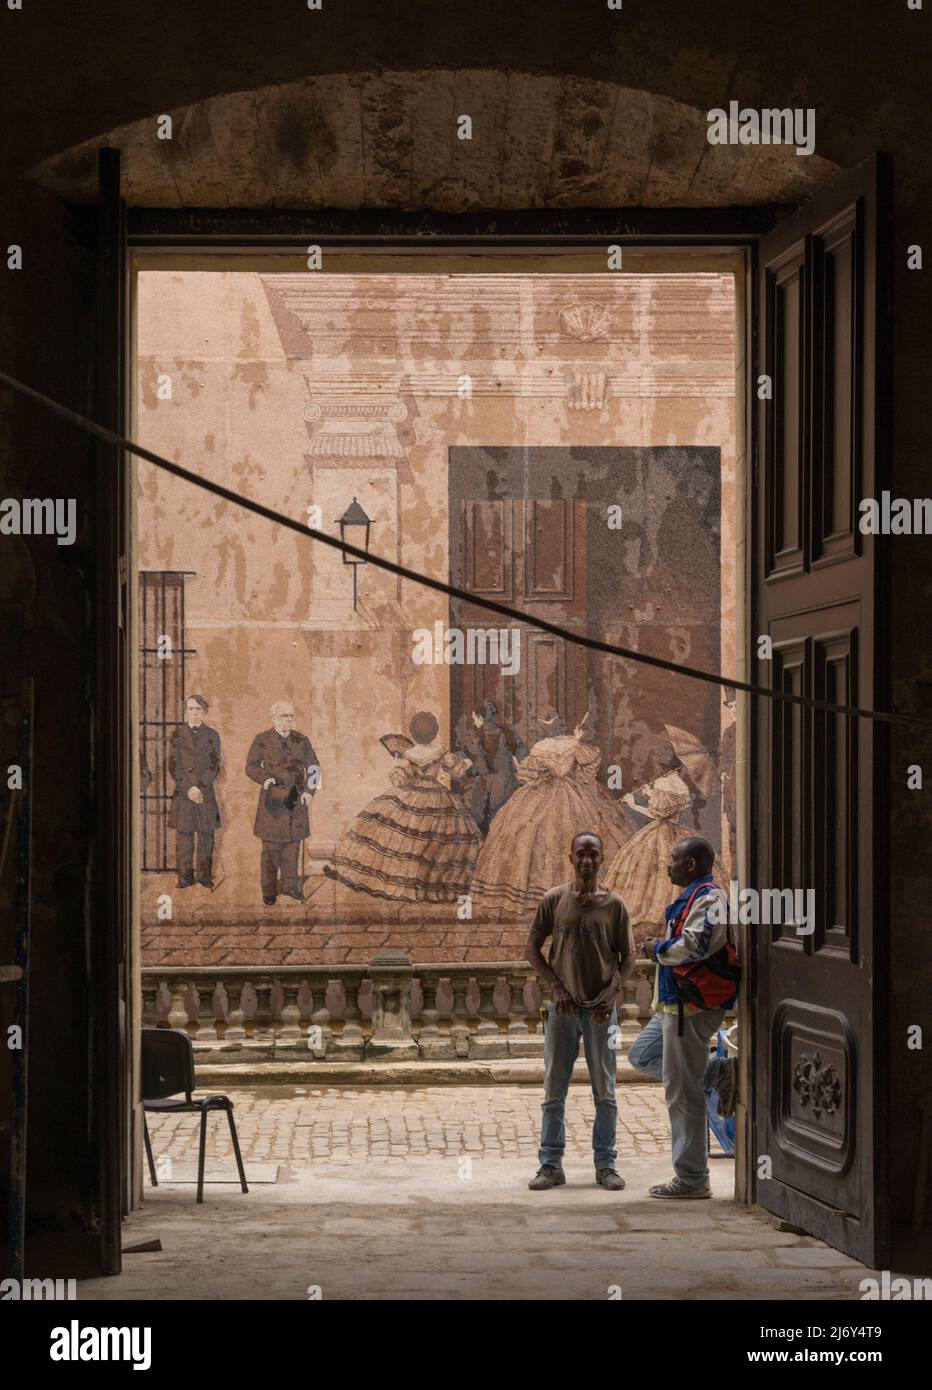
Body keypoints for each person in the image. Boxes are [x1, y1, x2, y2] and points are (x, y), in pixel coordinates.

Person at [524, 832, 635, 1191]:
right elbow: (532, 949)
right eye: (581, 854)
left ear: (602, 858)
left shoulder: (615, 905)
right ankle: (550, 1165)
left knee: (605, 1091)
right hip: (562, 1011)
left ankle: (606, 1165)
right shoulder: (554, 900)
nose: (587, 860)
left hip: (602, 1014)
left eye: (594, 854)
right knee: (554, 1091)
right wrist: (555, 985)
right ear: (570, 858)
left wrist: (613, 991)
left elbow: (629, 956)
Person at [633, 836, 738, 1199]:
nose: (668, 865)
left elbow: (695, 945)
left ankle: (693, 1178)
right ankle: (716, 1072)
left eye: (674, 859)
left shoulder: (709, 897)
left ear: (691, 864)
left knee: (682, 1094)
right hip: (673, 1003)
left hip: (690, 1007)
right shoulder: (692, 896)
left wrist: (655, 949)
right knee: (641, 1056)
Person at [471, 714, 629, 915]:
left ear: (546, 730)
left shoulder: (541, 747)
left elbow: (527, 775)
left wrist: (543, 775)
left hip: (543, 794)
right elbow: (587, 772)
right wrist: (577, 743)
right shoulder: (575, 745)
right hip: (576, 794)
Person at [323, 711, 481, 903]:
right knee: (437, 840)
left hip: (410, 794)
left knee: (408, 841)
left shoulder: (408, 754)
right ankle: (432, 885)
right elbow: (459, 771)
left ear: (413, 733)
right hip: (437, 795)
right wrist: (468, 761)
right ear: (435, 732)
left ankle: (409, 886)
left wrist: (398, 766)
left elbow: (398, 780)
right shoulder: (441, 752)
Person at [245, 700, 320, 905]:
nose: (289, 720)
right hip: (273, 801)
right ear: (274, 718)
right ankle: (269, 891)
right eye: (284, 716)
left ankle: (291, 888)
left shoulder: (302, 740)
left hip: (296, 800)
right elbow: (250, 766)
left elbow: (314, 767)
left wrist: (309, 792)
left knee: (293, 846)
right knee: (271, 848)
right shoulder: (262, 739)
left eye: (291, 716)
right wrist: (265, 778)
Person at [168, 694, 221, 889]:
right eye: (190, 709)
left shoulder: (212, 735)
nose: (194, 713)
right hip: (184, 793)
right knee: (184, 837)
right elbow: (173, 766)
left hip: (205, 793)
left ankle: (205, 877)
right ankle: (184, 878)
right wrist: (189, 788)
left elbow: (215, 766)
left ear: (204, 712)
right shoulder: (177, 735)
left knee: (206, 836)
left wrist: (200, 787)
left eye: (198, 709)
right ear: (185, 712)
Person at [463, 700, 527, 834]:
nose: (474, 721)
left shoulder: (475, 736)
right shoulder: (509, 733)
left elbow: (479, 767)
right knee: (502, 819)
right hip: (506, 781)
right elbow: (523, 755)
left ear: (480, 717)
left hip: (486, 783)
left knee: (481, 817)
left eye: (474, 718)